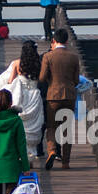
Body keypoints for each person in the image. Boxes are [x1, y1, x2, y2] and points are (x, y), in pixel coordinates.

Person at [38, 27, 79, 169]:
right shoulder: (73, 57)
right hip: (69, 95)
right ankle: (66, 163)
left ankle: (52, 151)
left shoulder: (48, 57)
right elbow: (76, 80)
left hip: (53, 96)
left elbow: (42, 78)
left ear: (54, 40)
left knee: (51, 127)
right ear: (67, 41)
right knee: (67, 128)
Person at [0, 41, 44, 165]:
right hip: (34, 96)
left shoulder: (17, 63)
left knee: (21, 126)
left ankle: (20, 156)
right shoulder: (38, 64)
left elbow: (11, 80)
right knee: (33, 126)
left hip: (21, 97)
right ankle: (31, 157)